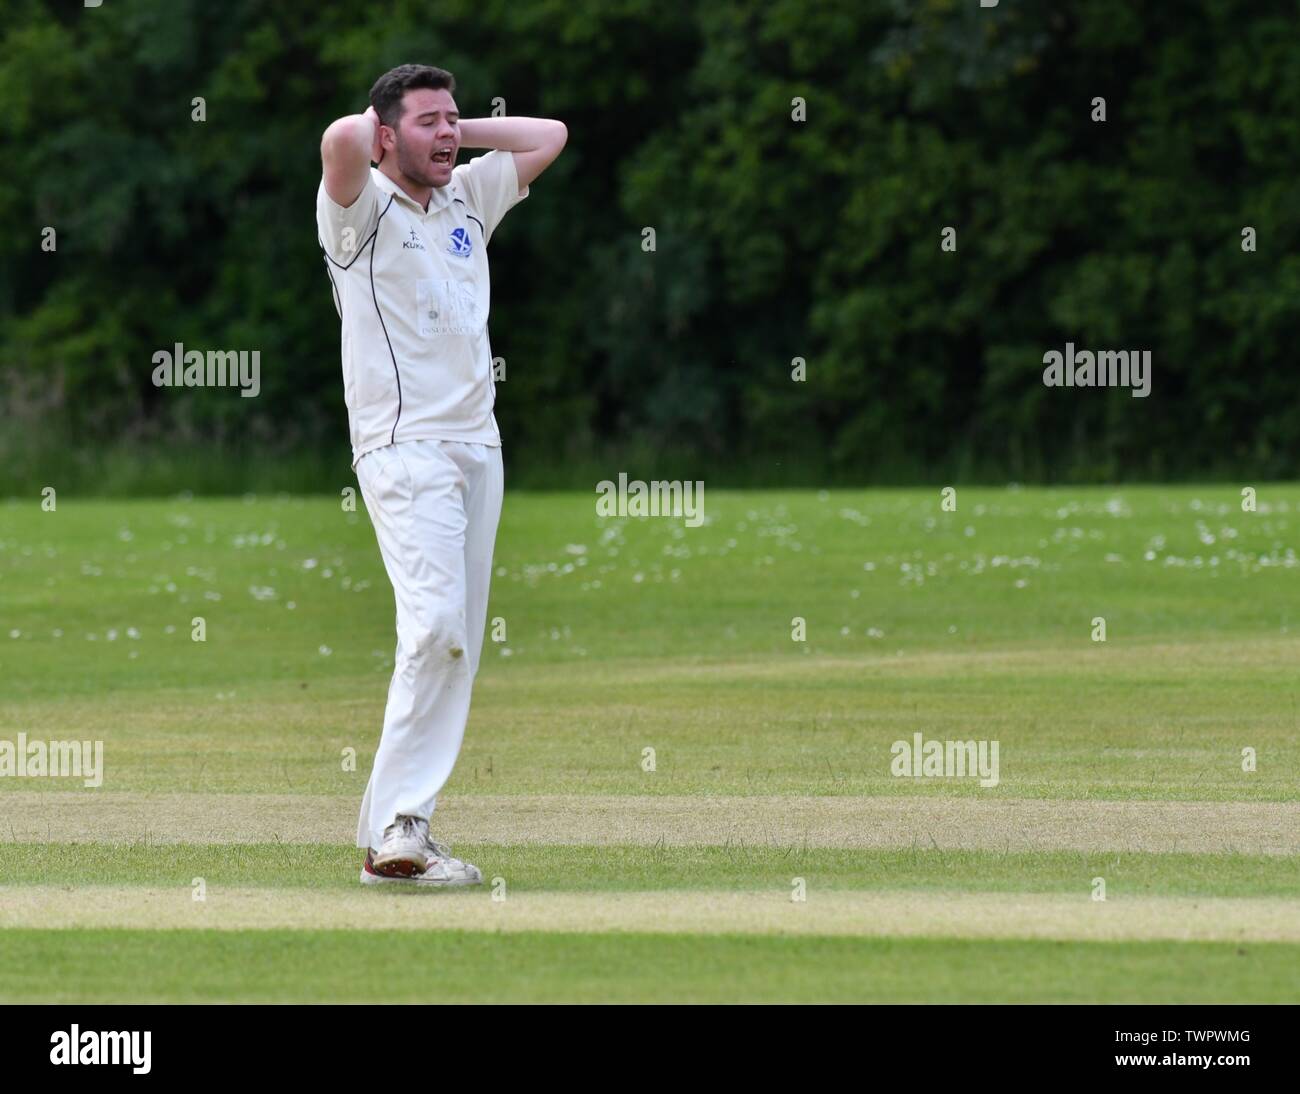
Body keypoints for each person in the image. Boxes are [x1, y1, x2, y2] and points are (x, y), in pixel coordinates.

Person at [315, 64, 567, 887]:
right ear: (386, 133)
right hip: (402, 447)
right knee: (437, 629)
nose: (449, 131)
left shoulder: (466, 198)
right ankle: (398, 830)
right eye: (428, 121)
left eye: (454, 117)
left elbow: (550, 137)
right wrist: (393, 124)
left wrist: (454, 141)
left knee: (455, 644)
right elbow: (339, 140)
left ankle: (399, 824)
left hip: (477, 448)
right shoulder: (356, 212)